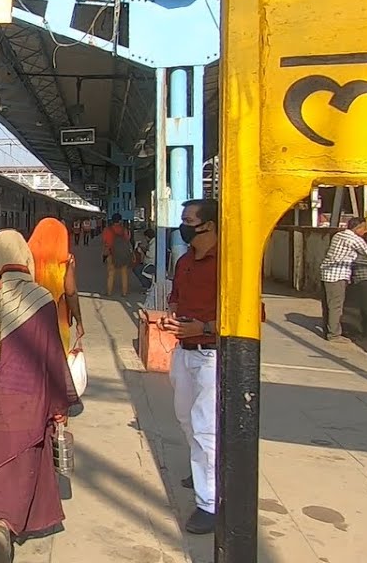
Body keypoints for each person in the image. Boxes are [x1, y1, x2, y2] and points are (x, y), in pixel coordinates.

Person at [0, 229, 80, 562]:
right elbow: (53, 356)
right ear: (24, 256)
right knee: (25, 458)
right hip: (30, 394)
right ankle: (10, 521)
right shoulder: (42, 300)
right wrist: (59, 403)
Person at [161, 199, 220, 536]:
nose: (182, 225)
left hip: (212, 354)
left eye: (187, 220)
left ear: (208, 225)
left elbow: (252, 315)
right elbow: (175, 298)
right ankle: (201, 471)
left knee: (205, 429)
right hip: (184, 352)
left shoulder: (228, 263)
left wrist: (205, 327)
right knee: (185, 417)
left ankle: (209, 504)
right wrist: (170, 317)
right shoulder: (184, 262)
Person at [318, 216, 367, 343]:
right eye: (364, 228)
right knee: (336, 305)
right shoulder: (354, 239)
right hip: (338, 275)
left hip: (327, 272)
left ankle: (329, 330)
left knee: (328, 304)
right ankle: (334, 335)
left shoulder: (339, 235)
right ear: (358, 228)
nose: (365, 231)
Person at [27, 217, 83, 355]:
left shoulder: (26, 259)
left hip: (30, 322)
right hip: (58, 321)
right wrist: (79, 321)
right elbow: (70, 292)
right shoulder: (66, 261)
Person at [102, 213, 133, 296]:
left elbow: (105, 241)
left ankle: (109, 292)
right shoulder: (124, 230)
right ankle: (124, 292)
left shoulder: (107, 230)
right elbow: (127, 240)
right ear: (120, 221)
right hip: (122, 253)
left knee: (111, 273)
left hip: (111, 253)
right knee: (124, 273)